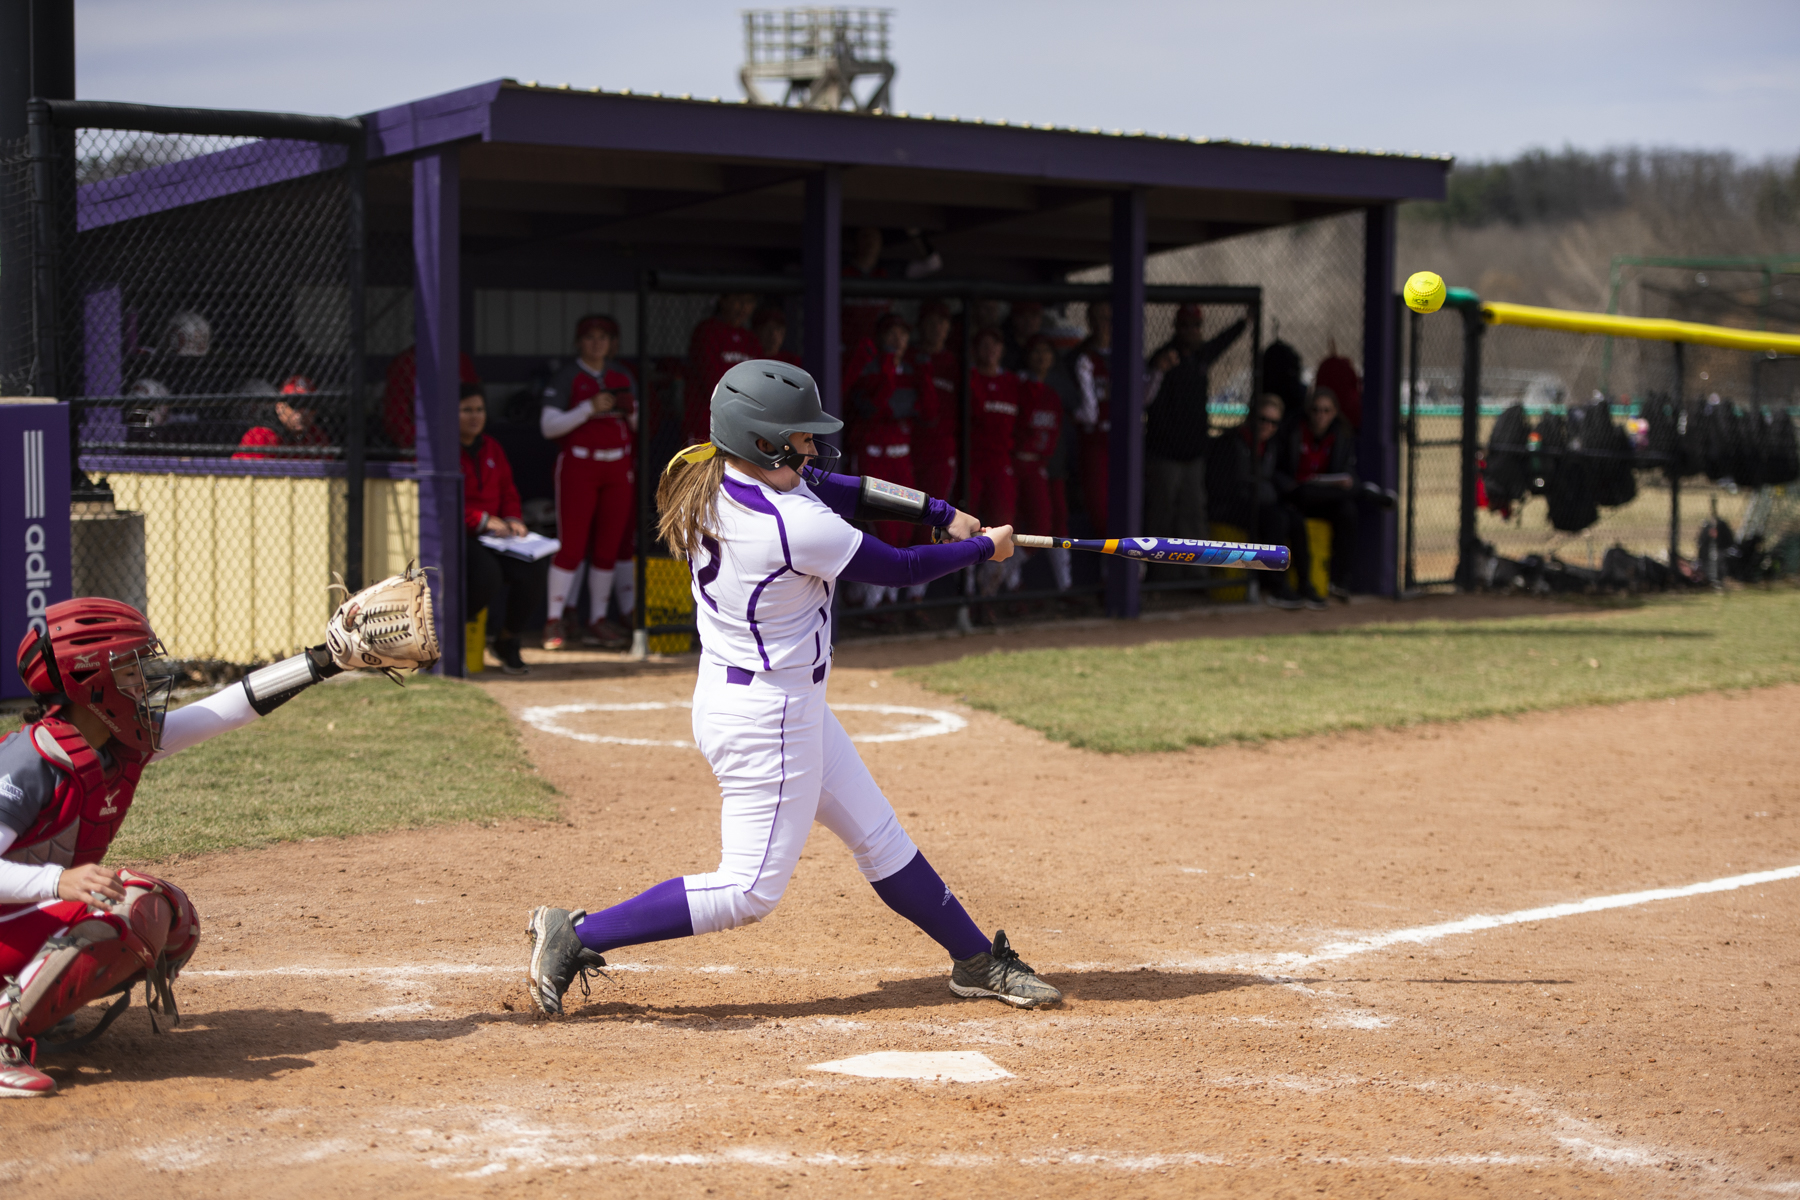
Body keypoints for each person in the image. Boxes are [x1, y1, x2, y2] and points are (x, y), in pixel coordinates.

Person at [523, 359, 1060, 1016]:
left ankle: (976, 960)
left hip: (759, 699)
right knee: (748, 891)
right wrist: (984, 550)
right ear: (764, 442)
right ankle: (576, 934)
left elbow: (849, 488)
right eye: (800, 437)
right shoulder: (792, 523)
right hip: (767, 718)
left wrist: (940, 511)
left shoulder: (718, 475)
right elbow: (899, 566)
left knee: (879, 836)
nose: (811, 448)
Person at [0, 599, 358, 1098]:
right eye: (128, 668)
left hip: (13, 922)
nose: (144, 679)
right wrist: (60, 882)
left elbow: (225, 710)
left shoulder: (117, 742)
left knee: (173, 918)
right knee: (132, 905)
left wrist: (324, 661)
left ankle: (34, 1006)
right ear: (90, 683)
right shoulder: (30, 759)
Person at [541, 315, 638, 652]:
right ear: (579, 342)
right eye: (590, 337)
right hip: (580, 464)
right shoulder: (569, 375)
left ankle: (598, 618)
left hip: (618, 465)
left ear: (613, 342)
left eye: (604, 337)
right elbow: (549, 426)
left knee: (609, 545)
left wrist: (628, 409)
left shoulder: (621, 375)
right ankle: (554, 618)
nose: (597, 343)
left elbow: (639, 422)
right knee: (572, 544)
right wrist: (588, 408)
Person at [1143, 305, 1247, 571]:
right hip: (1164, 454)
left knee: (1194, 513)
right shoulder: (1163, 359)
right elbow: (1146, 398)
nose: (1192, 331)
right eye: (1186, 326)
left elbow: (1221, 342)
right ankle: (1159, 575)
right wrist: (1158, 369)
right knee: (1162, 513)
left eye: (1196, 326)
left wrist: (1243, 322)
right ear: (1176, 328)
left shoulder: (1201, 356)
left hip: (1193, 454)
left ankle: (1197, 576)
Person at [1206, 393, 1312, 609]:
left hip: (1260, 503)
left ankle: (1304, 583)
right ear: (1252, 417)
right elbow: (1230, 486)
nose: (1267, 426)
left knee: (1294, 519)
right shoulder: (1232, 442)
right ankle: (1276, 586)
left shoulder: (1271, 447)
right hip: (1230, 505)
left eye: (1273, 422)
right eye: (1263, 419)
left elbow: (1271, 481)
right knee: (1276, 519)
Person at [460, 383, 539, 675]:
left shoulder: (492, 446)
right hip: (462, 535)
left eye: (479, 410)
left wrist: (513, 518)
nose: (475, 416)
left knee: (532, 569)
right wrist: (480, 519)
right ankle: (451, 638)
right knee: (487, 576)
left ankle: (507, 641)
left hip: (498, 536)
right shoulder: (445, 449)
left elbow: (508, 490)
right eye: (466, 410)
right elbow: (442, 502)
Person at [1276, 386, 1360, 603]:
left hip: (1326, 496)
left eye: (1326, 410)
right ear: (1308, 410)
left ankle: (1340, 581)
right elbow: (1279, 470)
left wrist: (1346, 482)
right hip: (1297, 493)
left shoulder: (1342, 434)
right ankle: (1366, 493)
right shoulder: (1293, 430)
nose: (1320, 415)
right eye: (1315, 410)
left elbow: (1347, 471)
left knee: (1348, 511)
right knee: (1303, 497)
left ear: (1334, 413)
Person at [1012, 335, 1072, 593]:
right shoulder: (1016, 386)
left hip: (1043, 466)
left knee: (1044, 527)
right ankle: (1004, 586)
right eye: (1035, 351)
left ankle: (1006, 569)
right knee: (1006, 522)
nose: (1041, 357)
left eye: (1046, 352)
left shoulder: (1054, 392)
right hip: (1013, 465)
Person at [684, 294, 761, 448]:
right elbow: (712, 380)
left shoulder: (751, 340)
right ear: (723, 301)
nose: (743, 307)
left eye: (749, 302)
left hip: (742, 428)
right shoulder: (707, 331)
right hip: (706, 423)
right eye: (738, 300)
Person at [908, 301, 960, 509]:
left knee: (933, 510)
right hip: (910, 445)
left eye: (942, 323)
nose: (937, 328)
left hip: (941, 449)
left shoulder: (954, 363)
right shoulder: (909, 358)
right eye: (931, 322)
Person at [381, 346, 480, 449]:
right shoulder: (405, 363)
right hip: (421, 445)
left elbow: (474, 403)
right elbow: (396, 418)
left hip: (462, 440)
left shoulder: (461, 360)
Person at [1071, 301, 1112, 536]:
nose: (1102, 325)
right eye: (1097, 318)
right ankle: (1110, 563)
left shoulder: (1126, 354)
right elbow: (1083, 412)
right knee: (1098, 504)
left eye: (1107, 319)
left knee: (1125, 500)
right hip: (1092, 441)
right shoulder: (1081, 357)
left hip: (1121, 440)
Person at [232, 375, 329, 459]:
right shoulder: (261, 436)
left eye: (309, 406)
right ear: (279, 407)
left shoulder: (317, 436)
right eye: (295, 405)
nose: (303, 412)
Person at [1000, 301, 1044, 372]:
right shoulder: (1002, 344)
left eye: (1034, 315)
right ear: (1014, 318)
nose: (1028, 321)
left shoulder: (1044, 344)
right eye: (1022, 316)